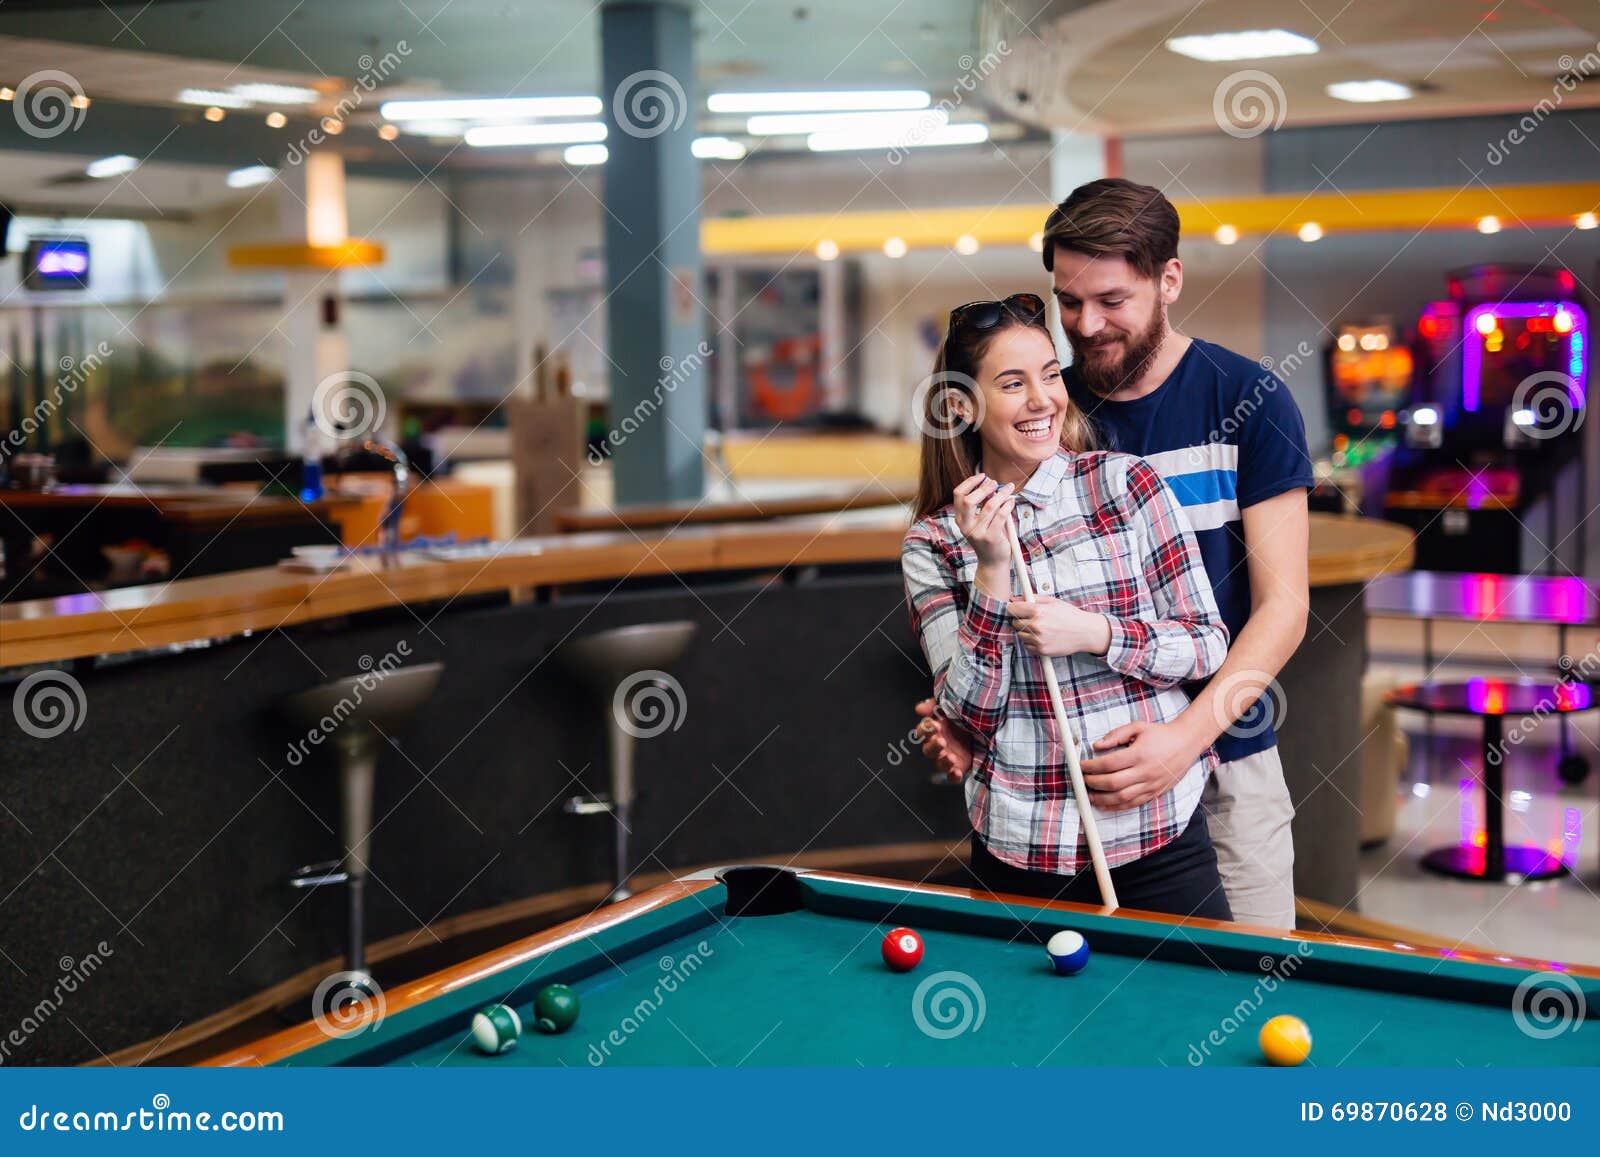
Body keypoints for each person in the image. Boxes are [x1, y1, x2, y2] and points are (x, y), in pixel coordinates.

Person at [917, 178, 1312, 928]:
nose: (1087, 324)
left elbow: (1284, 609)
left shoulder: (1250, 400)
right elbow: (983, 609)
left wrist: (1184, 742)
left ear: (1169, 281)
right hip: (1061, 791)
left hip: (1226, 754)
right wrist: (957, 719)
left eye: (1111, 300)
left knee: (1244, 989)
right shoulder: (1045, 404)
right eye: (1069, 300)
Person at [902, 291, 1233, 919]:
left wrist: (1095, 633)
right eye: (1012, 383)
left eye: (1051, 375)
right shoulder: (934, 542)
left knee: (1195, 1014)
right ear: (961, 407)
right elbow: (969, 717)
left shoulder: (1124, 483)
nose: (1042, 399)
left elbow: (1205, 642)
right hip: (1022, 851)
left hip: (1158, 833)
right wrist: (993, 568)